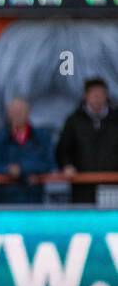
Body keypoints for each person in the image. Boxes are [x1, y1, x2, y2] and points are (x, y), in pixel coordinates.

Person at [55, 77, 118, 205]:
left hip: (113, 185)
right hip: (82, 187)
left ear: (106, 96)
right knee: (84, 223)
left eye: (101, 94)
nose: (97, 98)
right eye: (94, 94)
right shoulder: (74, 121)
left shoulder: (116, 120)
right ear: (86, 96)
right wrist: (66, 166)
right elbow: (62, 150)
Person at [0, 97, 55, 205]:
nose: (17, 115)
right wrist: (9, 170)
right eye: (14, 112)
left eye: (20, 111)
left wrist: (21, 169)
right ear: (8, 114)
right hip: (5, 200)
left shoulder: (41, 137)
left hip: (34, 200)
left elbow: (49, 164)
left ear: (28, 112)